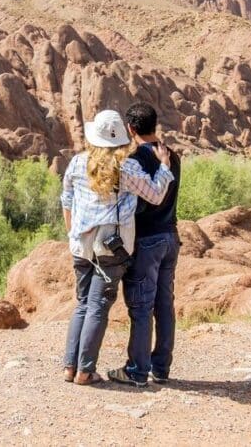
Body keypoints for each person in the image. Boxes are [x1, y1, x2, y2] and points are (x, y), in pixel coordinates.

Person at [61, 109, 174, 385]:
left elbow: (66, 201)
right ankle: (85, 371)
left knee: (83, 304)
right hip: (110, 249)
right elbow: (157, 195)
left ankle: (70, 367)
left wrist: (73, 235)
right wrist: (164, 167)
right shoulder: (126, 169)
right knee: (98, 306)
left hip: (81, 246)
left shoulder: (77, 163)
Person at [107, 102, 182, 388]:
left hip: (146, 239)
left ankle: (137, 370)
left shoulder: (134, 159)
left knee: (141, 306)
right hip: (170, 236)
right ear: (155, 124)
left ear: (131, 128)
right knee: (165, 303)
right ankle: (161, 367)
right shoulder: (172, 155)